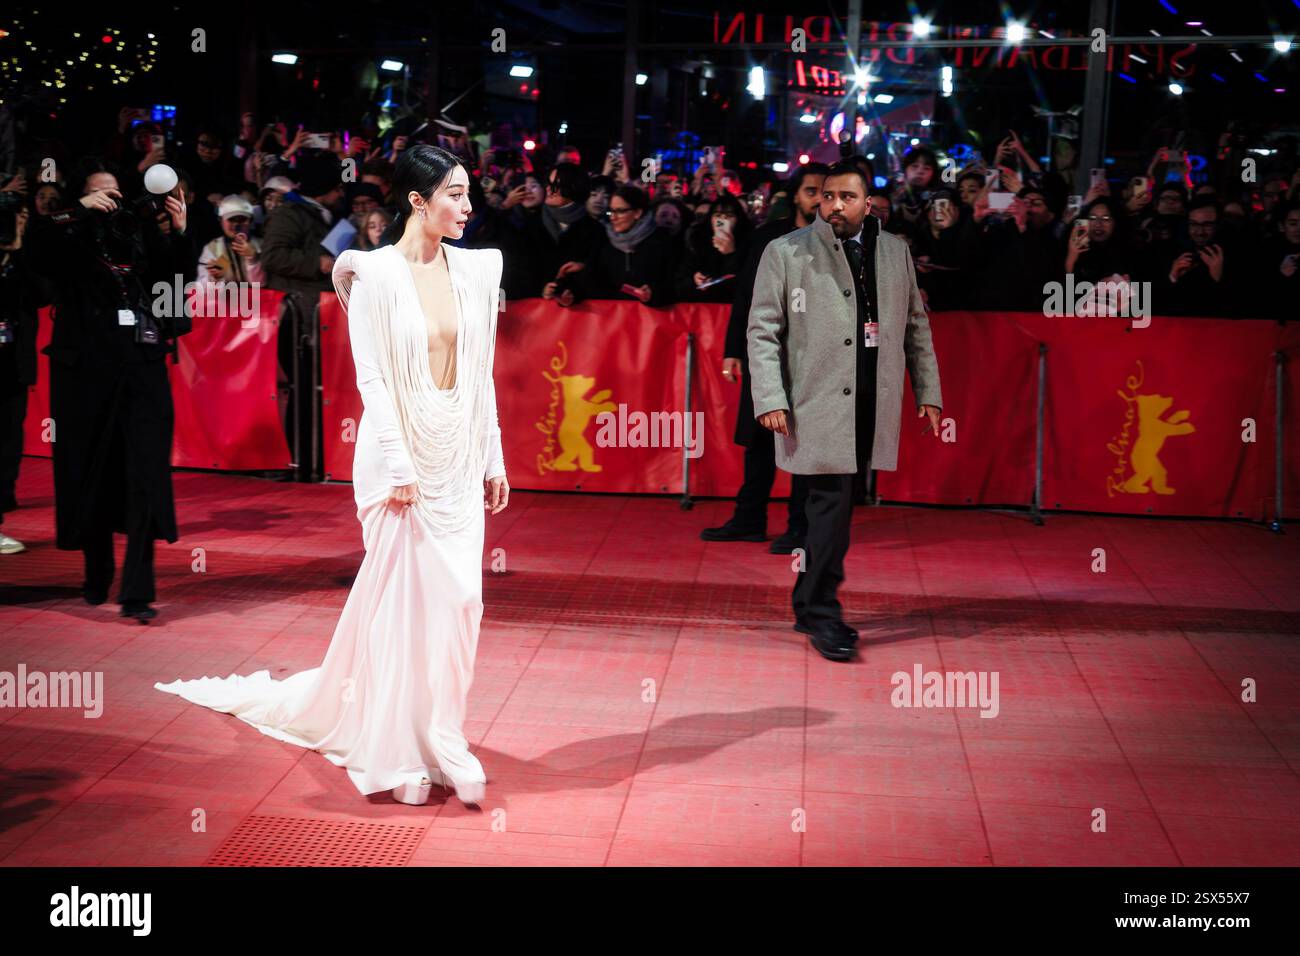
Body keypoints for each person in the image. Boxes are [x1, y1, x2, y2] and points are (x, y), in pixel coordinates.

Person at [155, 145, 508, 808]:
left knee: (460, 603)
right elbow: (372, 377)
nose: (467, 207)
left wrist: (492, 455)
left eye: (468, 193)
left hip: (456, 455)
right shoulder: (372, 275)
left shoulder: (480, 270)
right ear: (417, 201)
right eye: (454, 195)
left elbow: (481, 371)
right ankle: (398, 745)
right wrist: (400, 464)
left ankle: (440, 734)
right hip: (397, 460)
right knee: (405, 606)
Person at [748, 162, 943, 662]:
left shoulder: (895, 252)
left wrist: (929, 391)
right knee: (830, 510)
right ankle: (822, 614)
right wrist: (770, 397)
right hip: (812, 404)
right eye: (827, 196)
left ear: (868, 202)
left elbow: (915, 327)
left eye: (846, 197)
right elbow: (762, 329)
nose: (834, 205)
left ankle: (807, 603)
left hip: (871, 402)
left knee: (832, 511)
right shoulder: (786, 252)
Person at [24, 158, 194, 620]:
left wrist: (177, 234)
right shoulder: (65, 235)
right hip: (84, 374)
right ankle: (96, 572)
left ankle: (137, 590)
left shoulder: (137, 233)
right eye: (99, 192)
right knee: (90, 472)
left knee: (145, 474)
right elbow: (34, 249)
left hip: (141, 367)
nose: (109, 201)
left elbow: (174, 292)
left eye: (115, 193)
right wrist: (77, 210)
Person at [701, 163, 828, 552]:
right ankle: (749, 518)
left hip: (814, 356)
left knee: (803, 444)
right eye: (811, 191)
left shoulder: (840, 239)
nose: (819, 199)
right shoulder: (768, 237)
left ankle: (800, 528)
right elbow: (747, 296)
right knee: (758, 440)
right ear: (794, 196)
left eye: (826, 192)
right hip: (766, 351)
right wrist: (734, 349)